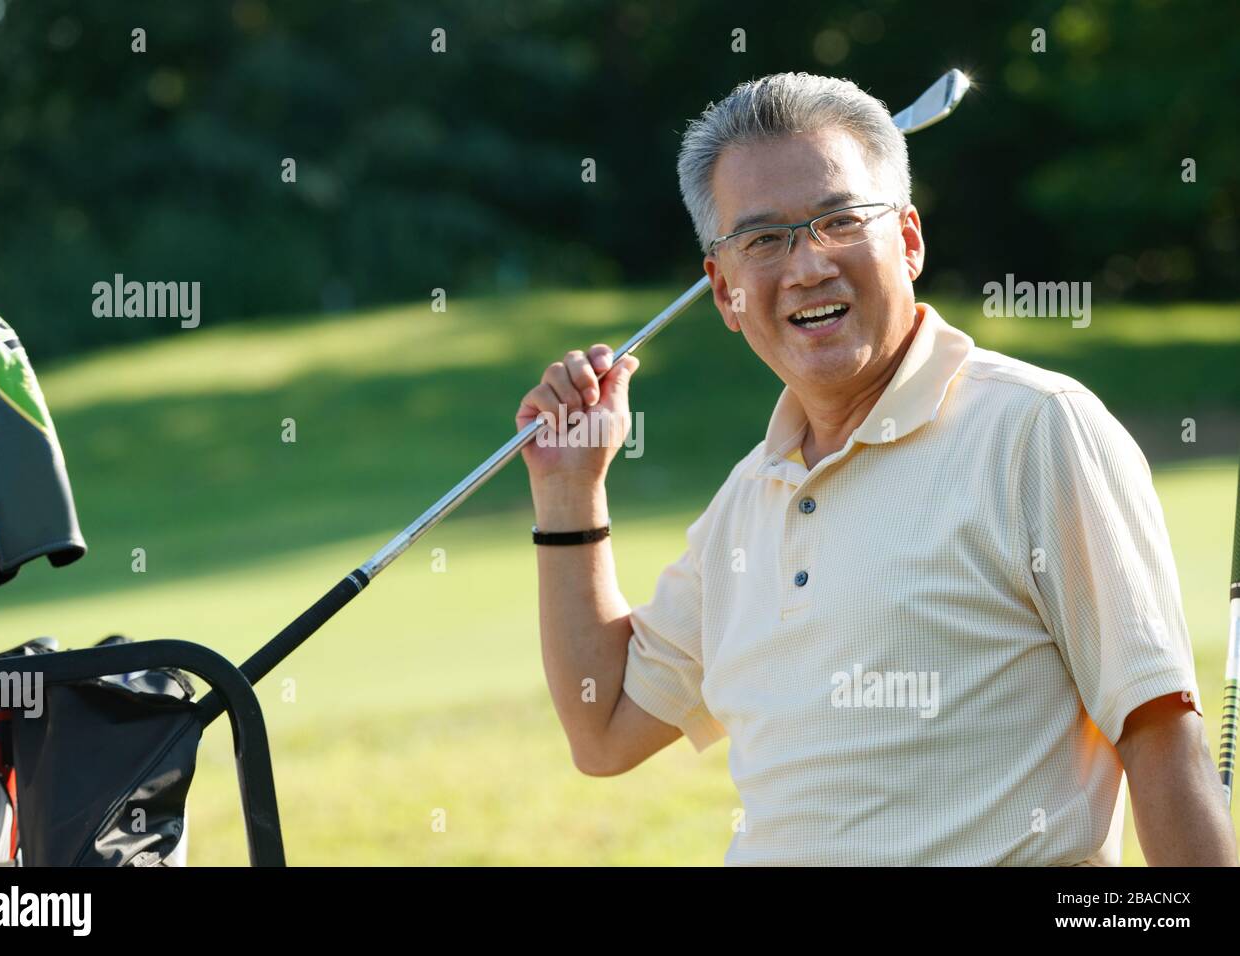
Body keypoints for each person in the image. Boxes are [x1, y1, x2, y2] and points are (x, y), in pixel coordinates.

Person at [515, 72, 1238, 866]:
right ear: (723, 291)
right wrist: (568, 491)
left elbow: (1161, 738)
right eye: (765, 239)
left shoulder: (1036, 429)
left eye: (839, 221)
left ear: (910, 240)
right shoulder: (748, 499)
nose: (808, 266)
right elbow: (604, 727)